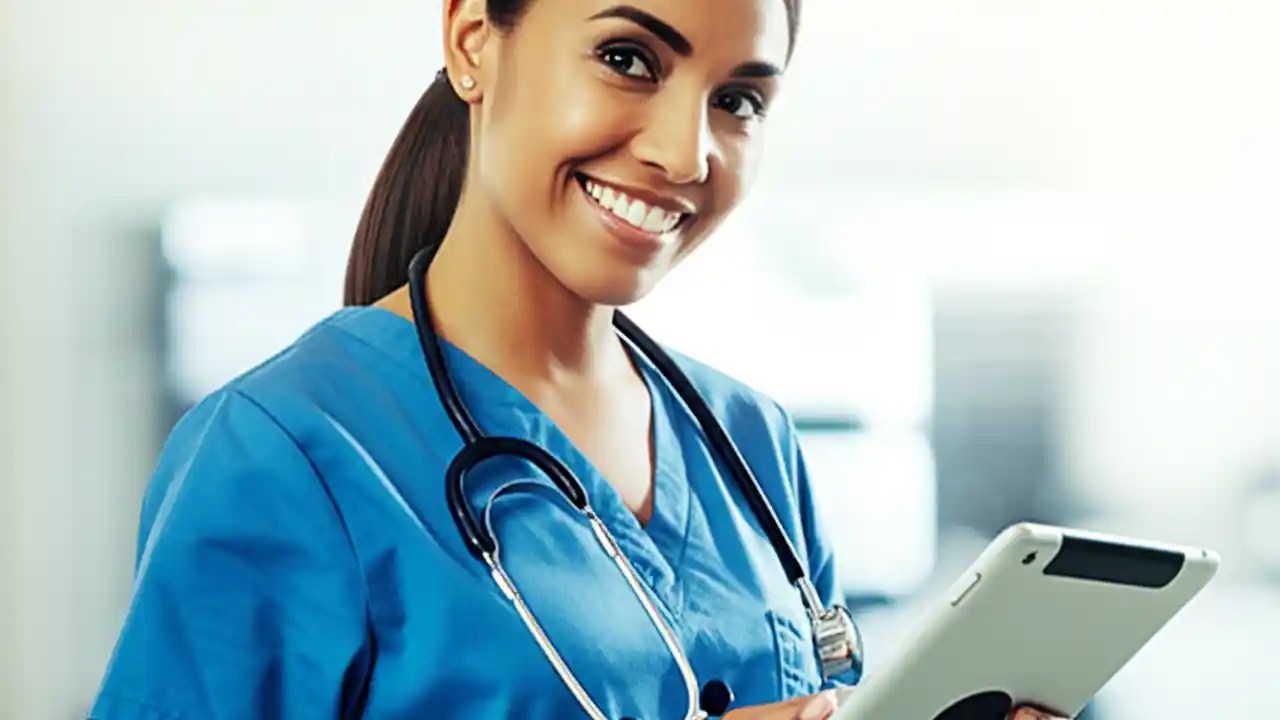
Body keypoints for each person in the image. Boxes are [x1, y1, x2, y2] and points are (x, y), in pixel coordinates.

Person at [90, 1, 1067, 718]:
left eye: (736, 99)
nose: (686, 154)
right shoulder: (281, 458)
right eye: (627, 58)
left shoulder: (751, 446)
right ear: (473, 39)